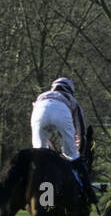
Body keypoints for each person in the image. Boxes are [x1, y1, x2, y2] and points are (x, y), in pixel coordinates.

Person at [30, 76, 98, 206]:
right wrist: (79, 153)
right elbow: (81, 132)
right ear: (70, 90)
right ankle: (89, 194)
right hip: (61, 113)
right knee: (72, 156)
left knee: (40, 157)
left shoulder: (42, 96)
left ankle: (45, 200)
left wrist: (51, 150)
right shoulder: (72, 100)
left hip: (38, 111)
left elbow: (44, 132)